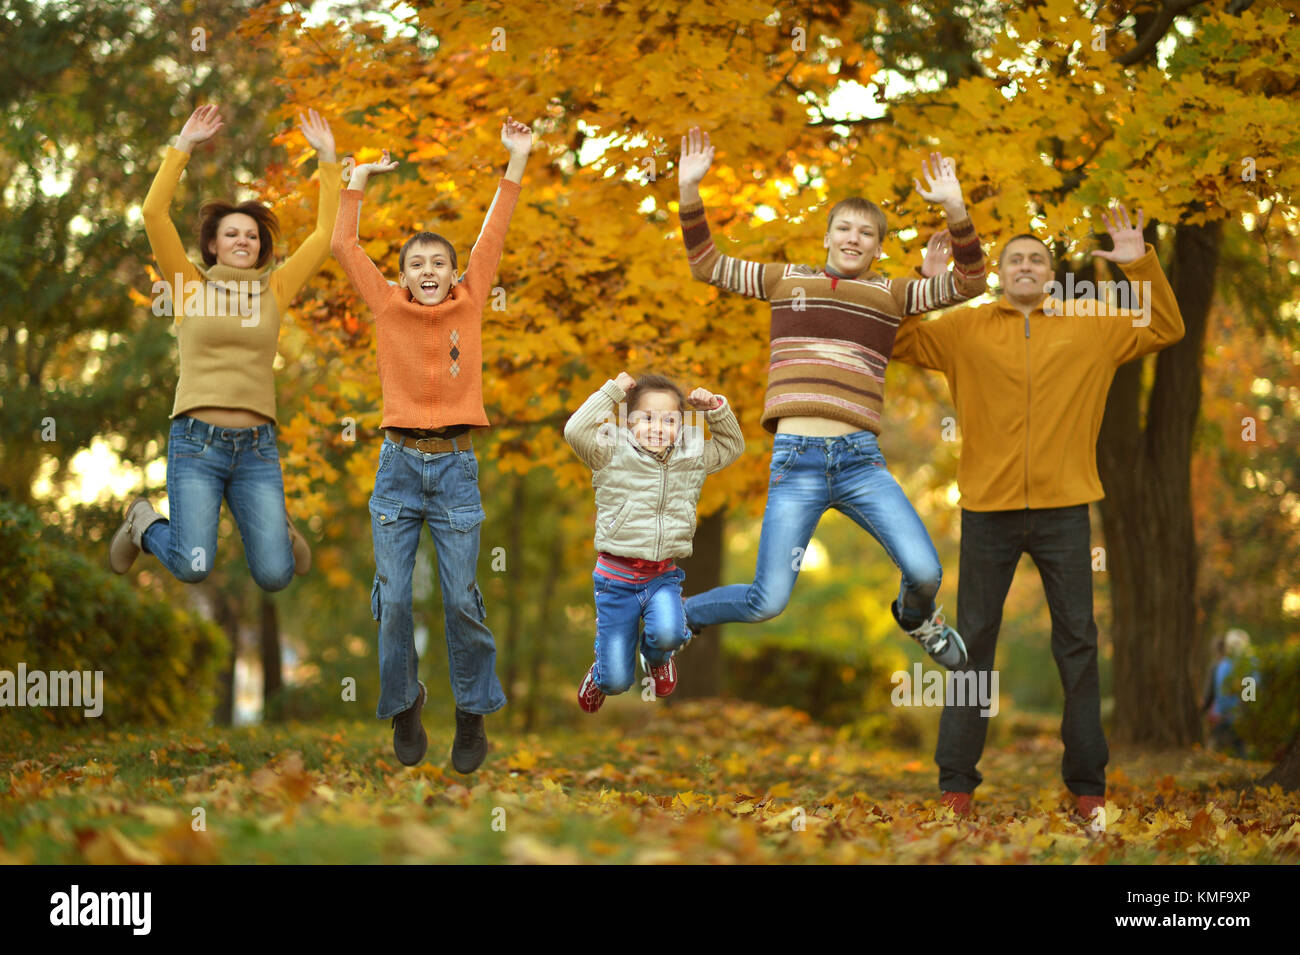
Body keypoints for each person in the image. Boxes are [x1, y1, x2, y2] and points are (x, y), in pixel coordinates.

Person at [893, 204, 1186, 818]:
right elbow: (897, 338)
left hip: (1065, 507)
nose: (1026, 265)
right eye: (1015, 259)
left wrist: (1140, 264)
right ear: (999, 273)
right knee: (972, 643)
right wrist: (925, 283)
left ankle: (1087, 790)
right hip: (986, 509)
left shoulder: (1092, 325)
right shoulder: (965, 327)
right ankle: (955, 788)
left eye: (1037, 258)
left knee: (1077, 642)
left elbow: (1164, 328)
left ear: (1052, 275)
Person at [675, 127, 987, 669]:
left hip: (859, 463)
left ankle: (917, 618)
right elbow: (707, 264)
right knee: (766, 600)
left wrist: (955, 208)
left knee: (925, 573)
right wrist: (688, 190)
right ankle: (675, 617)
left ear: (879, 246)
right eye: (843, 227)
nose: (853, 237)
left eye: (866, 233)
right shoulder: (783, 279)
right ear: (826, 236)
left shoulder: (893, 294)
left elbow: (971, 281)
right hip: (795, 462)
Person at [331, 118, 532, 771]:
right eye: (415, 263)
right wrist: (355, 184)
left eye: (437, 263)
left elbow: (493, 233)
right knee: (392, 596)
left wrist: (516, 161)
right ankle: (405, 701)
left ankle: (471, 711)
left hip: (455, 469)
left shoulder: (470, 303)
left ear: (453, 273)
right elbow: (342, 244)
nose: (427, 271)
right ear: (402, 274)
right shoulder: (387, 307)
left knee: (457, 596)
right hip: (396, 468)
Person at [111, 105, 340, 590]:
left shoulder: (275, 290)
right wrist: (183, 146)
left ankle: (279, 530)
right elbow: (153, 213)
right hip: (197, 444)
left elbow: (324, 238)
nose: (244, 240)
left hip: (256, 448)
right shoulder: (189, 285)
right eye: (232, 233)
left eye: (253, 235)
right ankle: (142, 522)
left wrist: (328, 160)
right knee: (193, 565)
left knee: (277, 575)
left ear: (261, 248)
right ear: (212, 245)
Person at [564, 371, 744, 712]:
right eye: (647, 418)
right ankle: (601, 674)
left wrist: (716, 410)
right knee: (617, 680)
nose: (658, 427)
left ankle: (658, 657)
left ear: (681, 425)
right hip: (616, 581)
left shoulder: (690, 459)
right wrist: (613, 390)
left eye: (669, 420)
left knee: (671, 634)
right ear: (628, 421)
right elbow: (575, 430)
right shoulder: (609, 452)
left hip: (662, 577)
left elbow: (732, 446)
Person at [1204, 628, 1257, 756]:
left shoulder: (1222, 665)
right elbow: (1250, 696)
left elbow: (1220, 693)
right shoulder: (1251, 664)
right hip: (1238, 717)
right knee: (1242, 752)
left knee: (1215, 752)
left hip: (1224, 716)